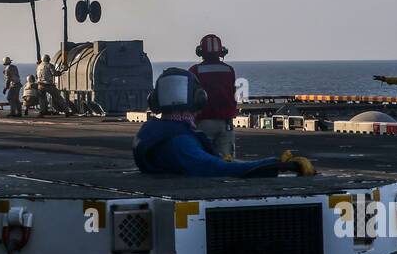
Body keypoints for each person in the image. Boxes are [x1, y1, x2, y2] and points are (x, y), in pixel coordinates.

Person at [133, 68, 315, 178]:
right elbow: (218, 169)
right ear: (199, 100)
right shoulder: (180, 141)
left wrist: (216, 157)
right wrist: (279, 164)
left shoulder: (150, 130)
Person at [188, 33, 239, 159]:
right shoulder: (229, 70)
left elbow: (190, 96)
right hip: (226, 123)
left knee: (202, 159)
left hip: (203, 122)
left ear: (200, 52)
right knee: (226, 161)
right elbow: (233, 93)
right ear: (222, 52)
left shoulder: (194, 70)